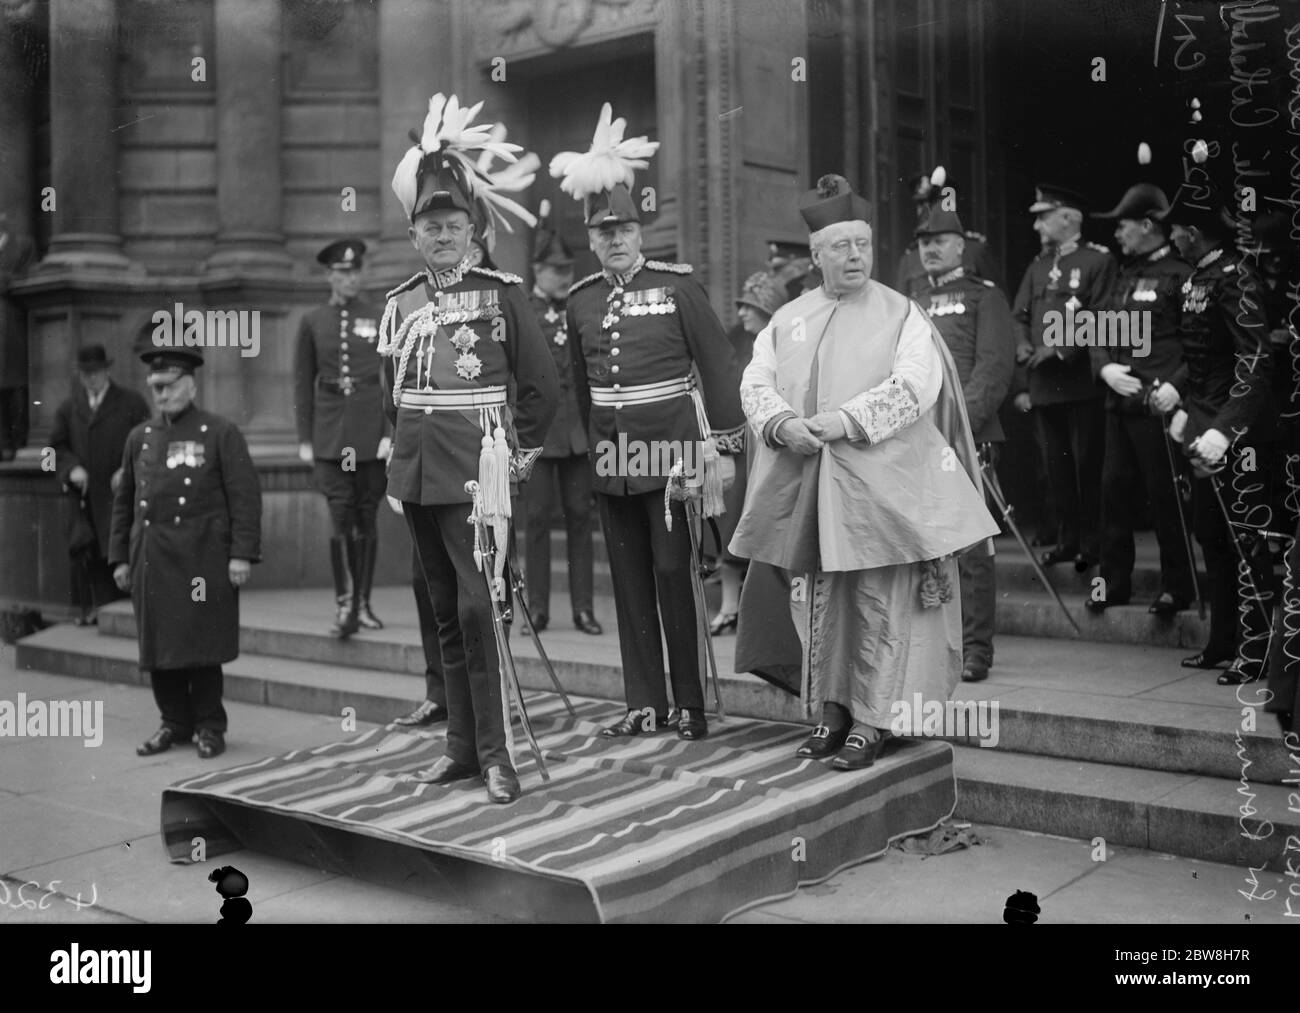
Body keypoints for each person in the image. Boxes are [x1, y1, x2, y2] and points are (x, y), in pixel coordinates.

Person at [730, 173, 998, 769]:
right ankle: (830, 711)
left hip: (883, 486)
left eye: (863, 244)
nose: (855, 256)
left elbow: (915, 385)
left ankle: (873, 720)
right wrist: (780, 423)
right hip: (809, 483)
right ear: (818, 253)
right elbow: (756, 379)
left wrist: (844, 421)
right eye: (841, 245)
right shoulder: (789, 317)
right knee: (820, 599)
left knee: (879, 602)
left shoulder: (902, 311)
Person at [379, 93, 557, 804]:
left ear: (472, 230)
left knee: (483, 610)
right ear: (415, 236)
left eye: (453, 224)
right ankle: (458, 746)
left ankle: (496, 753)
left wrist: (518, 458)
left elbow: (541, 387)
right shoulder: (399, 303)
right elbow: (389, 391)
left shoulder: (503, 295)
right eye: (431, 226)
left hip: (479, 475)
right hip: (418, 473)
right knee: (443, 608)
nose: (443, 235)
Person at [553, 103, 744, 742]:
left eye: (624, 229)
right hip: (612, 461)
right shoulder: (579, 302)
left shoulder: (676, 287)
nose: (614, 239)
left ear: (640, 231)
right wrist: (592, 453)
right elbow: (581, 388)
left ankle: (688, 703)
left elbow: (718, 367)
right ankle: (644, 703)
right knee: (629, 580)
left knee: (672, 573)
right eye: (603, 232)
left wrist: (726, 445)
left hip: (672, 459)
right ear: (591, 237)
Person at [110, 342, 262, 760]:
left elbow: (244, 497)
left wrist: (241, 554)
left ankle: (210, 725)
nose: (161, 396)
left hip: (202, 560)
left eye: (169, 387)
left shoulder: (219, 432)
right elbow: (126, 501)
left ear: (191, 386)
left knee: (201, 646)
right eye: (155, 388)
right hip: (152, 558)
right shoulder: (140, 437)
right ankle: (173, 722)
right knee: (159, 647)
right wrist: (120, 557)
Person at [1156, 186, 1275, 685]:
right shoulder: (1199, 276)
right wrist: (1183, 403)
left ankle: (1259, 652)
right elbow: (1201, 355)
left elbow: (1254, 362)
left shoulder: (1235, 278)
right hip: (1205, 422)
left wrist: (1225, 431)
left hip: (1239, 433)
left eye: (1175, 229)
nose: (1170, 236)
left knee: (1247, 541)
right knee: (1212, 535)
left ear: (1194, 232)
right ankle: (1222, 643)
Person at [914, 205, 1015, 682]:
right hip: (914, 438)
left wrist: (955, 431)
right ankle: (933, 642)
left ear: (960, 245)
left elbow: (993, 372)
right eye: (922, 242)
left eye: (939, 240)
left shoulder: (984, 297)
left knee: (973, 548)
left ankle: (977, 650)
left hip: (963, 439)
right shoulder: (909, 299)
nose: (929, 248)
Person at [1088, 182, 1196, 616]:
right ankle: (1111, 584)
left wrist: (1178, 386)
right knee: (1113, 493)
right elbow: (1095, 330)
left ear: (1148, 225)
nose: (1118, 234)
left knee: (1165, 497)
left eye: (1124, 225)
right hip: (1121, 402)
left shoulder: (1179, 275)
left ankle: (1177, 587)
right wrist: (1104, 369)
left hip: (1157, 404)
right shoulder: (1121, 274)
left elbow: (1200, 345)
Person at [1011, 183, 1117, 571]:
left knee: (1088, 465)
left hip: (1081, 382)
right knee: (1055, 466)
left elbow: (1103, 317)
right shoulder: (1039, 265)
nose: (1037, 224)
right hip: (1044, 385)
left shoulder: (1098, 261)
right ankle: (1067, 539)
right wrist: (1023, 346)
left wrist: (1059, 350)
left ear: (1069, 217)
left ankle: (1092, 542)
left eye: (1044, 216)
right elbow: (1019, 315)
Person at [294, 238, 391, 639]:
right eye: (342, 272)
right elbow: (303, 382)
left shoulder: (380, 315)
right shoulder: (313, 321)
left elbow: (391, 380)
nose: (350, 278)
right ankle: (343, 601)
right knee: (339, 521)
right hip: (331, 439)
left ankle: (364, 602)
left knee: (366, 519)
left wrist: (390, 430)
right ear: (329, 276)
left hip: (370, 436)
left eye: (355, 271)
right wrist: (305, 439)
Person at [521, 200, 601, 636]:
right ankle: (537, 608)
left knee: (579, 516)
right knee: (535, 519)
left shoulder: (576, 308)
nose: (564, 276)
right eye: (555, 270)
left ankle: (583, 609)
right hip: (536, 436)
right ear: (537, 270)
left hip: (575, 435)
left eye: (567, 270)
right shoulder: (523, 311)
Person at [49, 344, 150, 625]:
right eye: (86, 373)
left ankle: (125, 615)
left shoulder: (132, 402)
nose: (91, 378)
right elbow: (52, 451)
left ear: (107, 370)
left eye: (96, 372)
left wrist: (127, 470)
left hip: (120, 495)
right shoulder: (69, 408)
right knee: (87, 553)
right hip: (83, 499)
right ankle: (91, 611)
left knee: (118, 549)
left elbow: (150, 442)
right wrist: (71, 468)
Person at [710, 271, 786, 636]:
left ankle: (764, 611)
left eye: (750, 307)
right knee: (730, 520)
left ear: (769, 309)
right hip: (738, 445)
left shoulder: (787, 340)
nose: (741, 313)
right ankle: (728, 607)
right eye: (741, 306)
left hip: (773, 446)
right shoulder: (734, 340)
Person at [894, 168, 1000, 298]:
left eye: (937, 202)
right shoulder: (909, 260)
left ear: (951, 204)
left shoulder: (975, 251)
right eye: (922, 204)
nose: (930, 210)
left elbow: (996, 299)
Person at [0, 211, 35, 461]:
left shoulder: (22, 246)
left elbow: (27, 281)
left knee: (14, 387)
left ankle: (13, 441)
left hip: (10, 327)